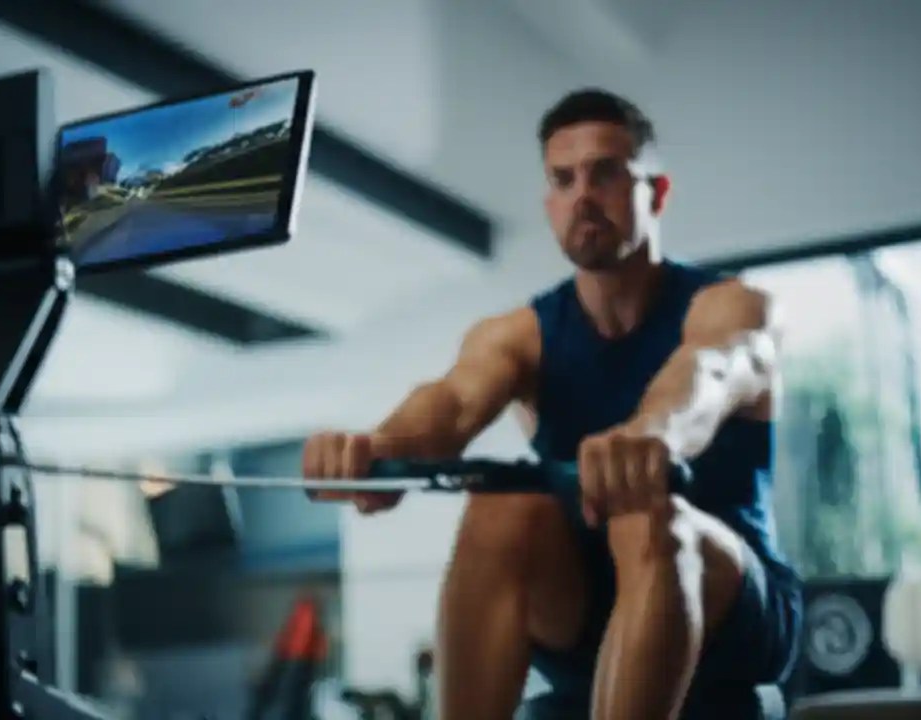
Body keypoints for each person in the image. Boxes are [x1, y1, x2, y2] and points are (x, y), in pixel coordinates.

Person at [302, 89, 802, 720]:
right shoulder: (520, 336)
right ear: (548, 203)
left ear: (658, 192)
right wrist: (375, 450)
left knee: (651, 519)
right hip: (586, 613)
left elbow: (709, 372)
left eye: (606, 173)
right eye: (563, 179)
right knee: (501, 510)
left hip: (734, 614)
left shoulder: (732, 306)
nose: (582, 196)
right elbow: (450, 405)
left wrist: (653, 434)